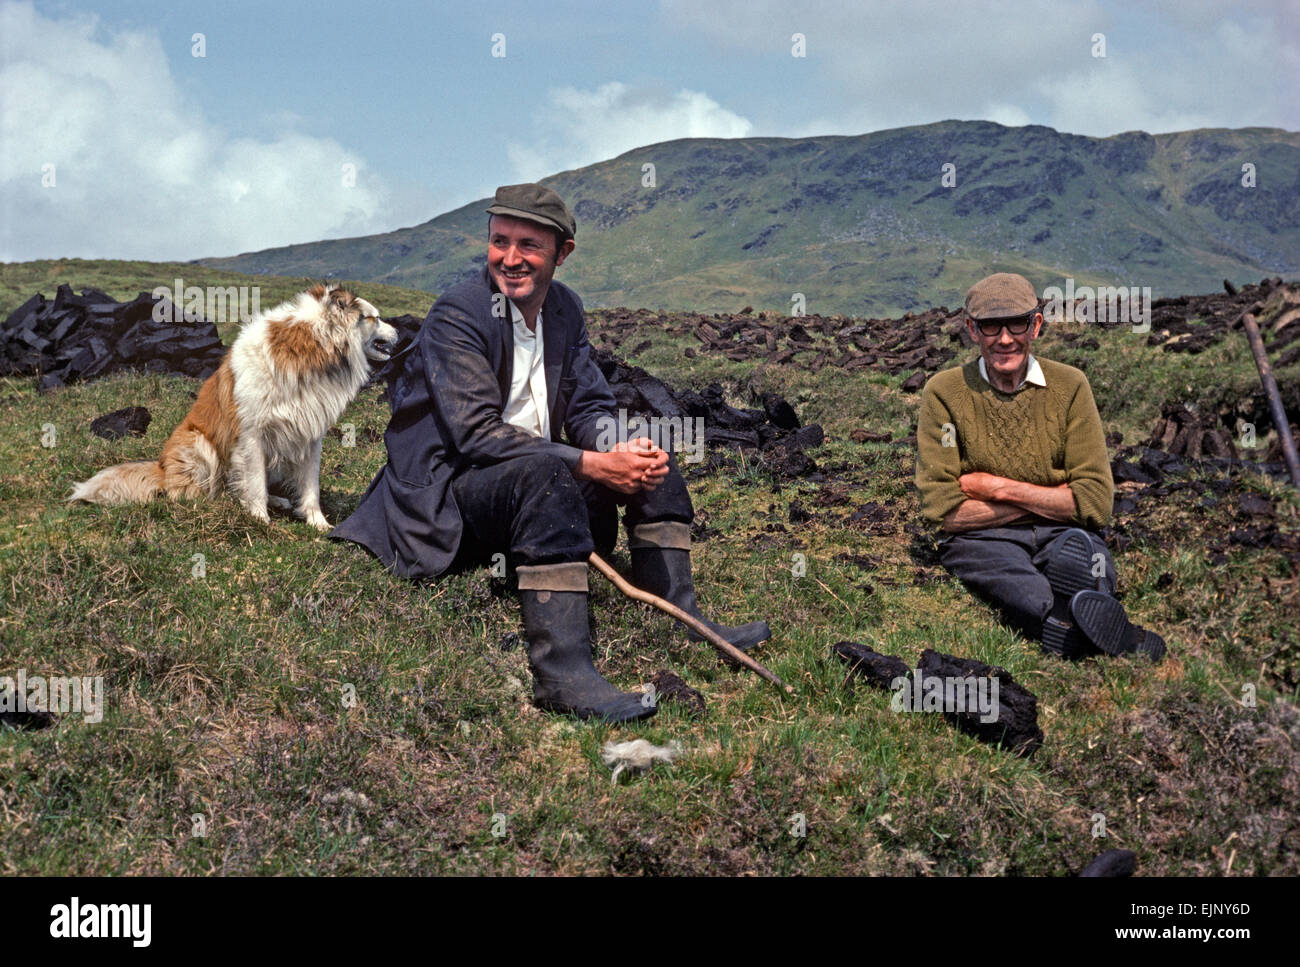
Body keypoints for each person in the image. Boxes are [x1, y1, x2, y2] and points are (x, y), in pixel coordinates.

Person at [330, 183, 770, 722]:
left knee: (650, 449)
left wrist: (620, 447)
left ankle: (679, 613)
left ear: (562, 254)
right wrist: (590, 464)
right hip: (451, 498)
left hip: (533, 486)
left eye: (528, 246)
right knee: (543, 471)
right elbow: (475, 435)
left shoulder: (564, 309)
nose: (509, 259)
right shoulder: (457, 314)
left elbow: (588, 407)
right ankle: (564, 677)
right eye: (499, 242)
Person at [914, 272, 1165, 660]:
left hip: (1064, 535)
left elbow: (1096, 504)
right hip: (985, 541)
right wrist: (1057, 499)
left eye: (1016, 323)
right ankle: (1093, 629)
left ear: (1036, 325)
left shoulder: (1071, 387)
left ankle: (1073, 624)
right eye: (990, 326)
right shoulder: (945, 393)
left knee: (1088, 557)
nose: (1004, 338)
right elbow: (942, 512)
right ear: (971, 329)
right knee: (1021, 589)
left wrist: (997, 488)